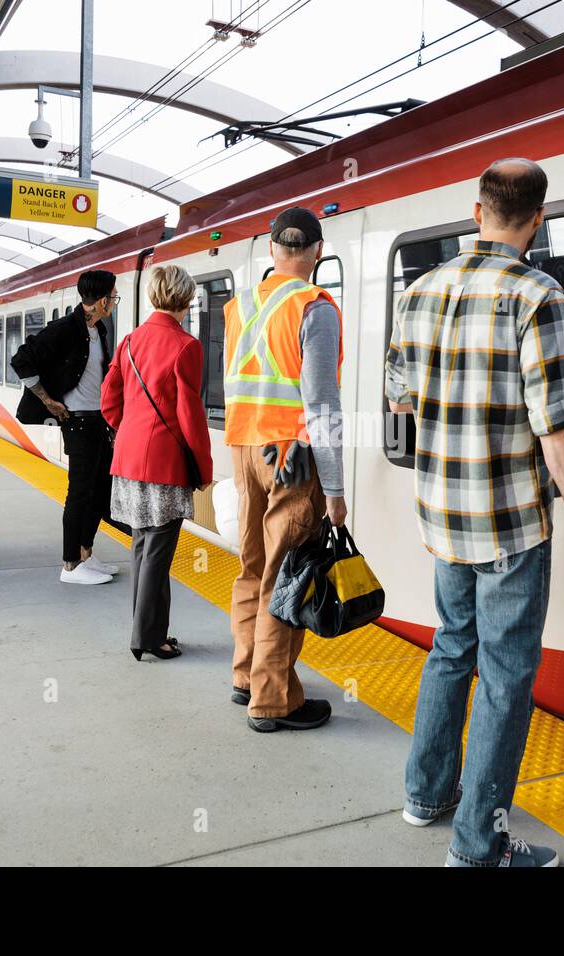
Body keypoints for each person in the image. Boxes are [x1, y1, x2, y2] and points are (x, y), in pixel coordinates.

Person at [385, 158, 564, 868]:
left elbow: (399, 400)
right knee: (507, 676)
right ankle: (478, 847)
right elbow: (557, 420)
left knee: (452, 649)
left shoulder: (420, 290)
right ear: (537, 219)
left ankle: (426, 796)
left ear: (478, 209)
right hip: (510, 520)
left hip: (442, 515)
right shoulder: (537, 295)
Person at [224, 206, 345, 733]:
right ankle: (273, 700)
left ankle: (246, 674)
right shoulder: (314, 307)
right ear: (317, 251)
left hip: (244, 447)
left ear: (272, 251)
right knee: (286, 574)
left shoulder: (240, 305)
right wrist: (335, 487)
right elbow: (322, 404)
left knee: (253, 566)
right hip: (291, 457)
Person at [101, 266, 213, 661]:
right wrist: (203, 467)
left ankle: (149, 630)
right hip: (164, 464)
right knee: (158, 553)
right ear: (186, 299)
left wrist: (130, 429)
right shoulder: (186, 346)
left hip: (128, 460)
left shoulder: (130, 340)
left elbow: (109, 400)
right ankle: (146, 637)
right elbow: (191, 416)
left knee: (142, 546)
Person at [11, 269, 121, 585]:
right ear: (103, 300)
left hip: (99, 422)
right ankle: (71, 565)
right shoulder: (63, 330)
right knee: (80, 494)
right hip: (77, 424)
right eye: (113, 297)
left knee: (100, 493)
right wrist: (48, 400)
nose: (113, 301)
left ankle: (85, 553)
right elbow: (21, 361)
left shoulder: (99, 330)